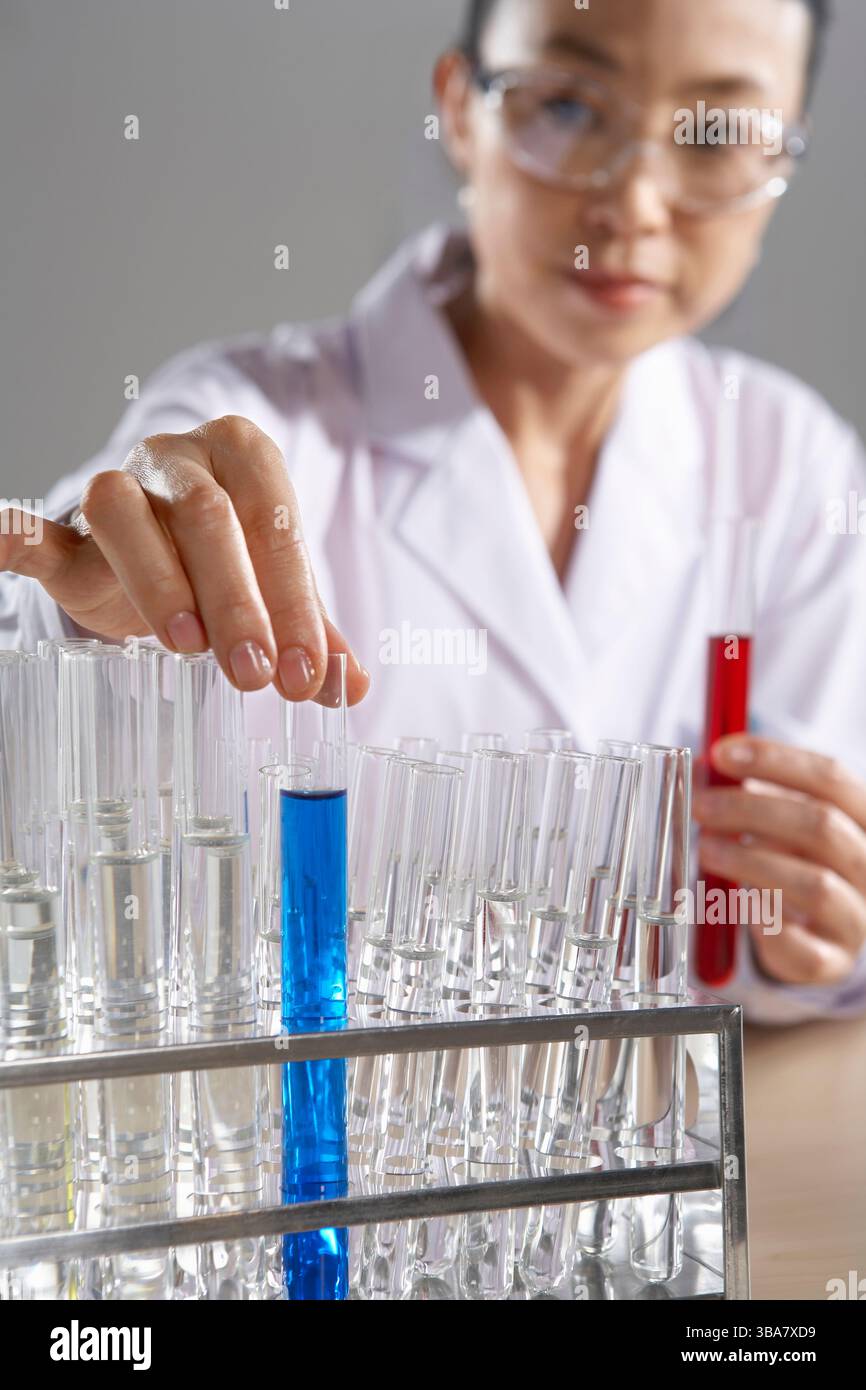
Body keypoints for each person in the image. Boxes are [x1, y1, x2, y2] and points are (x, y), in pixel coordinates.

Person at [2, 0, 865, 1023]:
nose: (632, 204)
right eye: (567, 105)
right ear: (460, 112)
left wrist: (805, 933)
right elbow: (50, 826)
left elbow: (792, 947)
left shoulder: (793, 462)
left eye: (714, 134)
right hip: (316, 1157)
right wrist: (80, 631)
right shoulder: (253, 424)